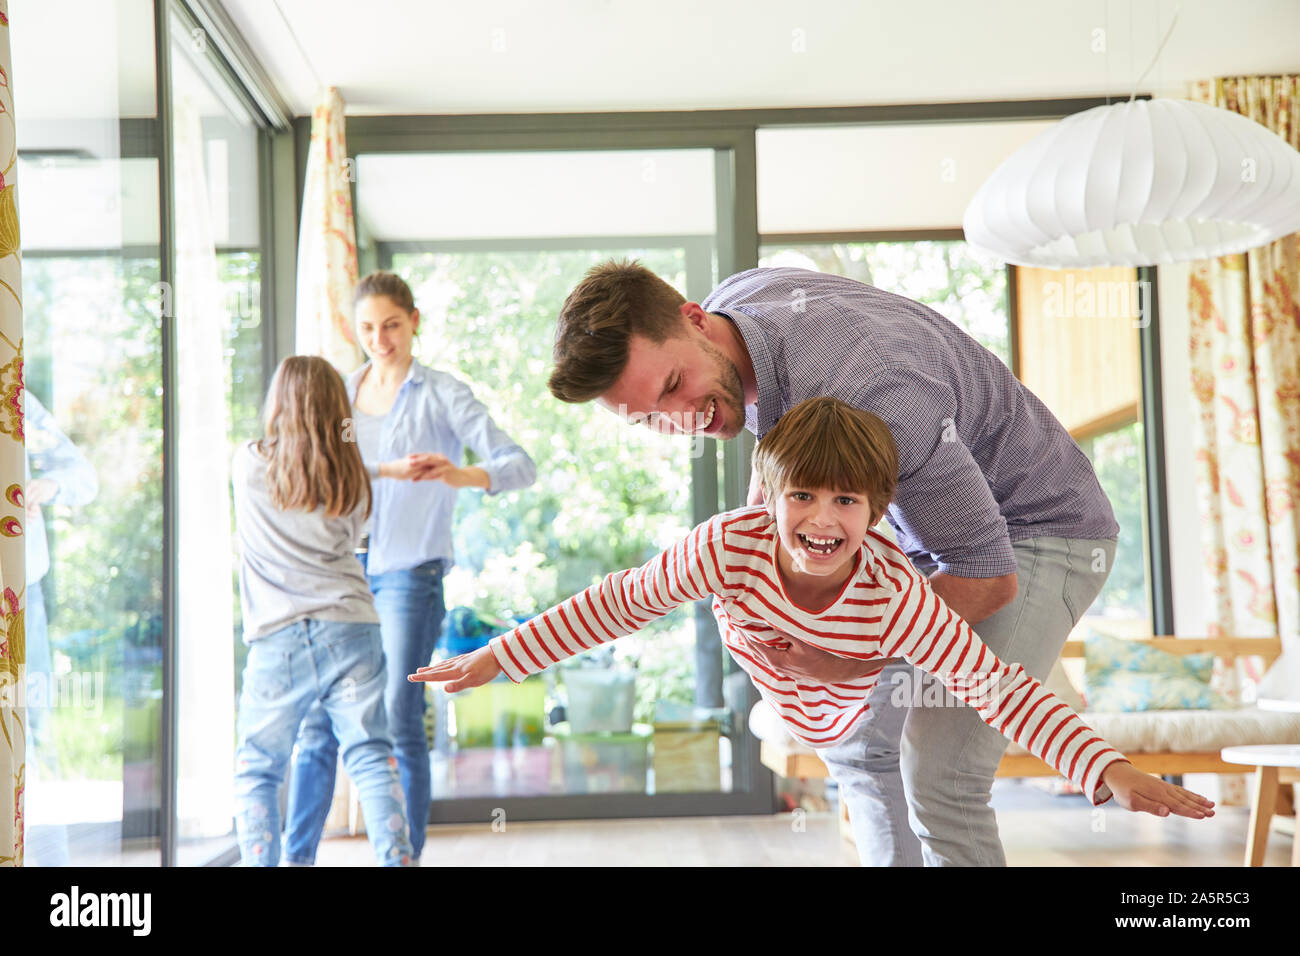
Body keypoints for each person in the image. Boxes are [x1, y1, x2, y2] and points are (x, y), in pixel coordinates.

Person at [543, 260, 1125, 866]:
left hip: (1036, 532)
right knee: (858, 746)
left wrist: (848, 658)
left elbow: (986, 576)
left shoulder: (875, 391)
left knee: (941, 778)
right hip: (922, 534)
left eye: (671, 388)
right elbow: (778, 465)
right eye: (651, 419)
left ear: (695, 322)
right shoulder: (736, 307)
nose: (682, 420)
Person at [411, 398, 1214, 832]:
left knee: (893, 785)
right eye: (802, 495)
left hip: (865, 697)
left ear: (877, 511)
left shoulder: (894, 590)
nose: (822, 518)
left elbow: (997, 686)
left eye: (846, 500)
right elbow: (619, 602)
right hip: (790, 691)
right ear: (767, 496)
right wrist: (499, 657)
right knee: (853, 764)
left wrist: (1105, 766)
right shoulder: (728, 547)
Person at [283, 271, 537, 865]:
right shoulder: (339, 394)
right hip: (339, 571)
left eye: (392, 325)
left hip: (407, 575)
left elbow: (518, 464)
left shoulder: (442, 392)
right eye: (368, 328)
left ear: (414, 320)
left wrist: (459, 473)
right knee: (319, 721)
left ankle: (405, 857)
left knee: (399, 715)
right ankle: (294, 858)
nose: (381, 340)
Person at [231, 355, 419, 867]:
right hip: (351, 628)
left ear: (279, 404)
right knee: (369, 755)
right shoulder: (353, 479)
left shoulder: (248, 465)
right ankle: (398, 860)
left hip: (278, 637)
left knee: (259, 768)